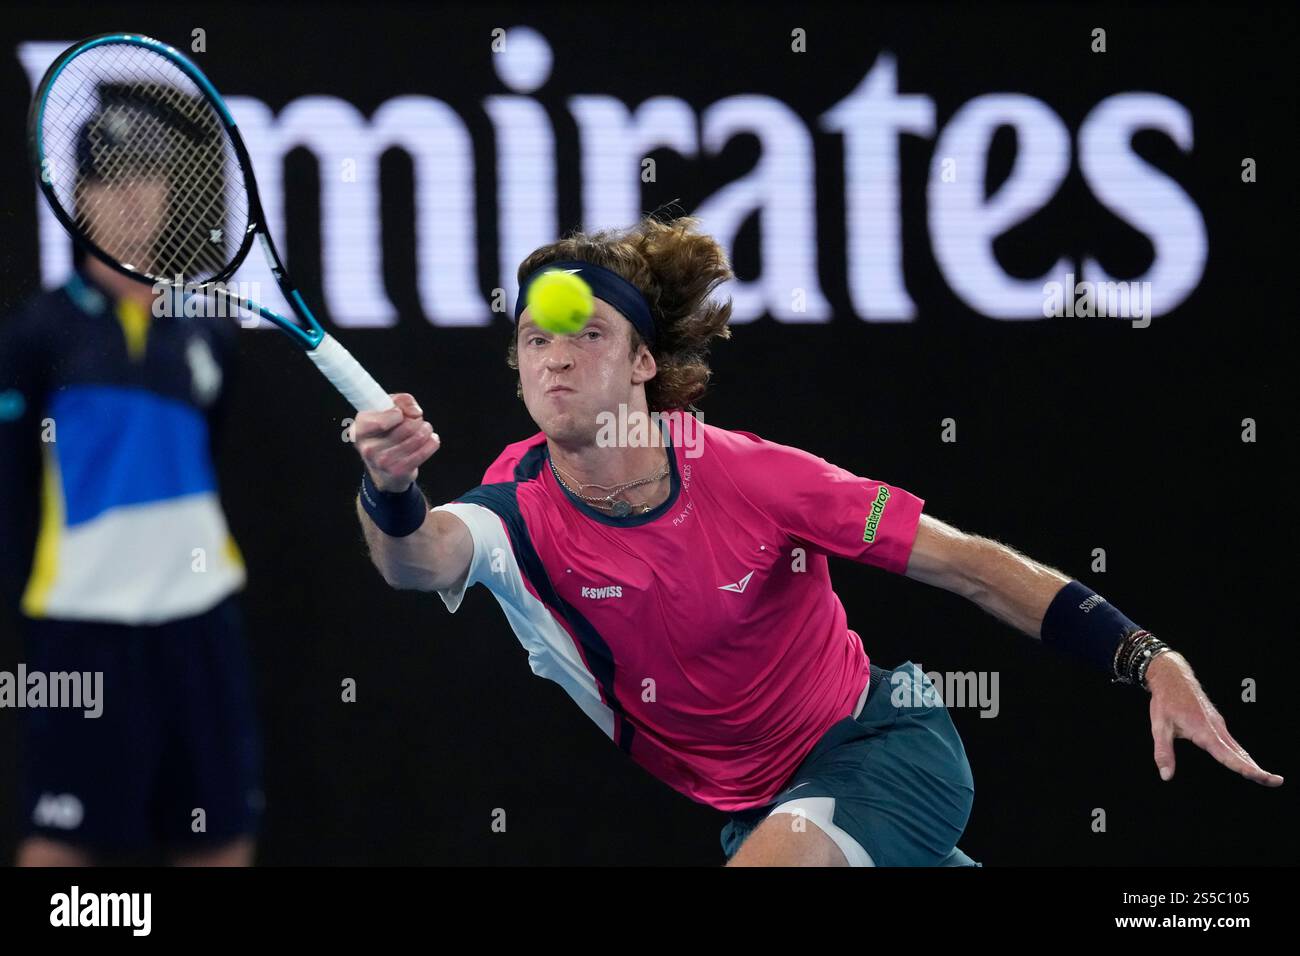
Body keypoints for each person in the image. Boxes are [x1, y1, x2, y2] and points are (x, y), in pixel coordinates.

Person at [351, 216, 1281, 867]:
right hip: (762, 810)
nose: (555, 356)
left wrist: (1146, 655)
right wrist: (388, 488)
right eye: (533, 339)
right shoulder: (516, 509)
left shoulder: (754, 477)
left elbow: (970, 567)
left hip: (883, 747)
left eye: (587, 334)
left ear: (643, 362)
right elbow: (418, 558)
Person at [0, 109, 262, 865]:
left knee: (220, 838)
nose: (133, 199)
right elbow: (13, 487)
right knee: (60, 842)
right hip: (82, 623)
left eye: (147, 177)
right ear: (77, 197)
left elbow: (211, 452)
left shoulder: (207, 329)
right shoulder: (36, 337)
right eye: (111, 181)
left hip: (199, 616)